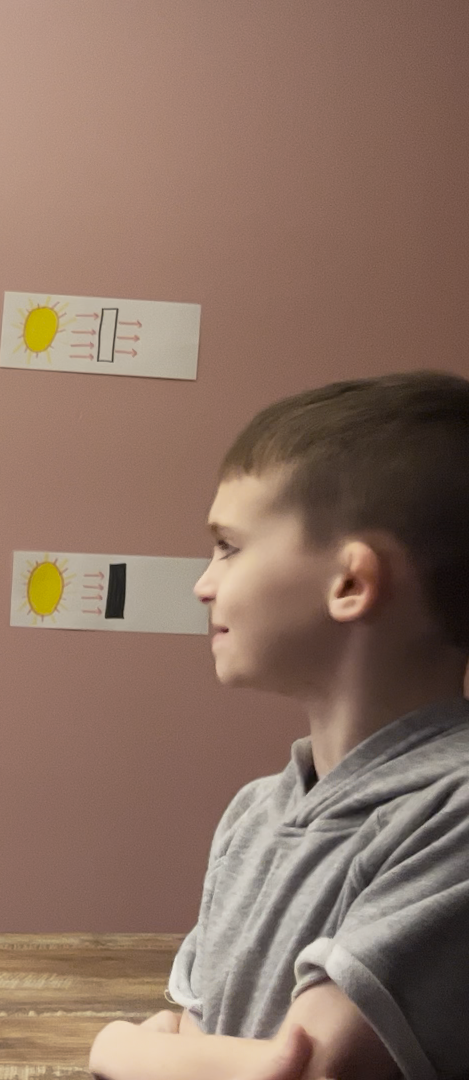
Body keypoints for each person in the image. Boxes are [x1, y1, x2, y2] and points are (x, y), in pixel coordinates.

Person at [89, 371, 469, 1080]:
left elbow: (303, 1066)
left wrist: (116, 1046)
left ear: (351, 583)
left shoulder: (453, 816)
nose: (203, 584)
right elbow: (203, 1038)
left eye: (229, 547)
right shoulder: (253, 816)